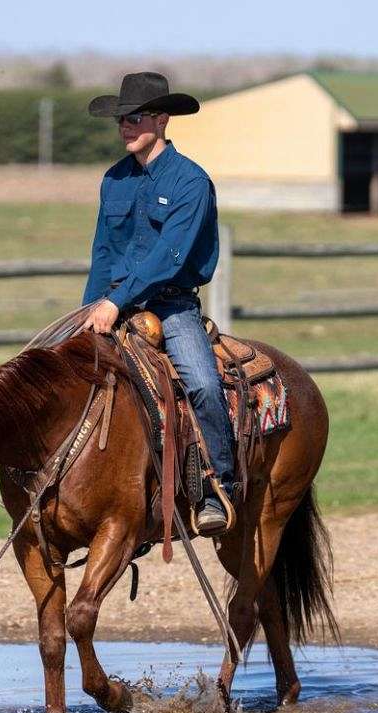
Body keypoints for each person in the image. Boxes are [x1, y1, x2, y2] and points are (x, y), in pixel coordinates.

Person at [80, 71, 235, 536]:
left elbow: (171, 256)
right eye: (121, 119)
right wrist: (91, 307)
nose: (126, 126)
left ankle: (216, 487)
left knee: (204, 385)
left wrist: (117, 301)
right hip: (111, 304)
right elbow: (103, 252)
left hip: (171, 307)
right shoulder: (114, 180)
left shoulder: (191, 182)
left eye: (136, 117)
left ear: (163, 119)